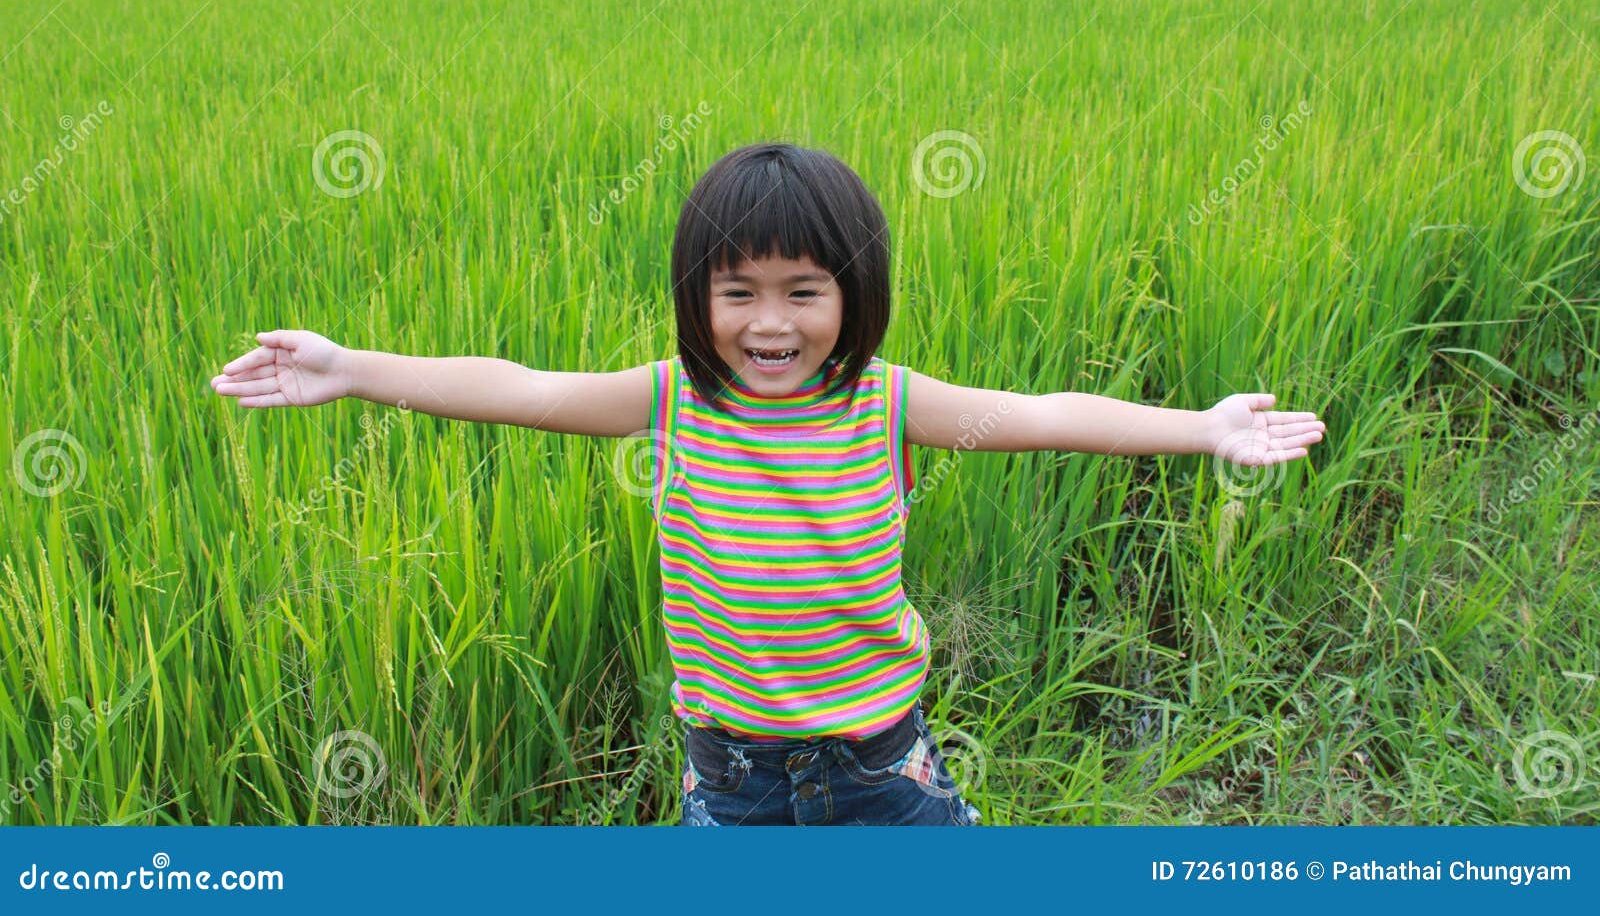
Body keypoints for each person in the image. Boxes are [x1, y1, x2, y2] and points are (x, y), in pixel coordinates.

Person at [210, 141, 1325, 826]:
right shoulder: (669, 396)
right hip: (729, 773)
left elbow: (1042, 419)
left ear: (856, 294)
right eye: (737, 291)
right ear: (696, 296)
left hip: (881, 757)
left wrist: (1202, 427)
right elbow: (519, 385)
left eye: (804, 289)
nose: (771, 322)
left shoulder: (882, 399)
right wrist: (352, 369)